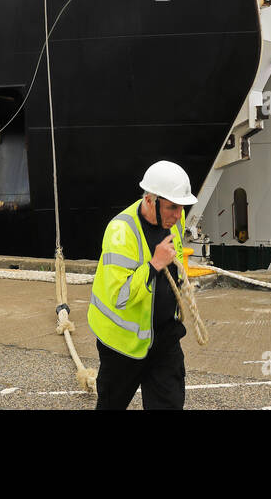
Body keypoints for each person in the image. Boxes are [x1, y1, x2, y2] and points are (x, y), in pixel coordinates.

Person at [88, 161, 197, 410]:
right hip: (122, 345)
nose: (178, 214)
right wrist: (153, 264)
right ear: (150, 200)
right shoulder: (121, 232)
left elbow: (176, 271)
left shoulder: (175, 222)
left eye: (182, 207)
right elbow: (120, 296)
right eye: (172, 207)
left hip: (163, 339)